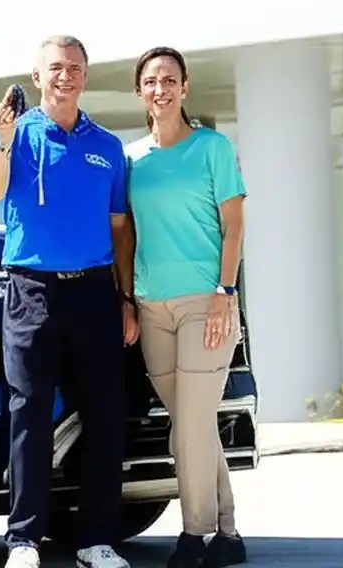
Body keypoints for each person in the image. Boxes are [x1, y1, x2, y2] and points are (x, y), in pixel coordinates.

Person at [0, 35, 138, 568]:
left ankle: (97, 540)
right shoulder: (14, 133)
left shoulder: (108, 147)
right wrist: (1, 139)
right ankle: (23, 539)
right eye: (55, 68)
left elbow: (120, 230)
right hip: (31, 291)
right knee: (29, 415)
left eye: (74, 68)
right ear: (37, 75)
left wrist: (126, 298)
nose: (65, 76)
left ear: (85, 76)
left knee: (103, 414)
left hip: (94, 291)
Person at [124, 46, 247, 568]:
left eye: (170, 79)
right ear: (140, 92)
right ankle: (230, 532)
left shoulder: (212, 148)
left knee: (190, 426)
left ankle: (194, 535)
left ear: (184, 87)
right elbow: (125, 233)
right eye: (151, 81)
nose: (160, 89)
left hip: (206, 304)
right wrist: (127, 298)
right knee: (191, 423)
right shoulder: (130, 160)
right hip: (153, 307)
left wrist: (226, 291)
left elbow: (234, 224)